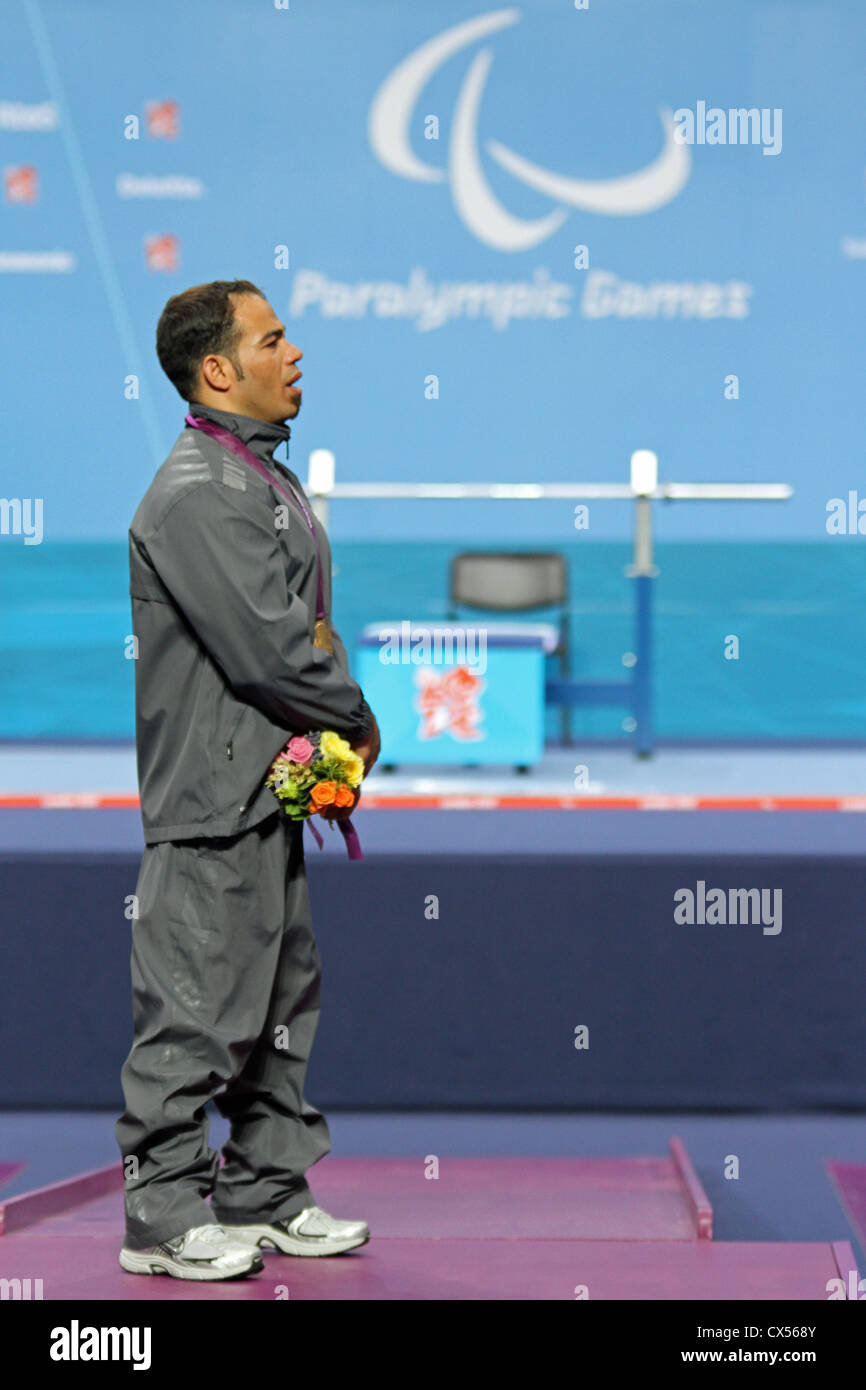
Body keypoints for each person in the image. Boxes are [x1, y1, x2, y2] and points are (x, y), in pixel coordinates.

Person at [115, 279, 381, 1280]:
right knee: (194, 1012)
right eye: (273, 340)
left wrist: (326, 750)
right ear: (218, 368)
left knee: (277, 999)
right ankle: (161, 1219)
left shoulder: (259, 477)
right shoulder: (195, 494)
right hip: (209, 798)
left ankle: (264, 1190)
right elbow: (269, 652)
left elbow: (302, 627)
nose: (295, 353)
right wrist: (355, 720)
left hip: (268, 786)